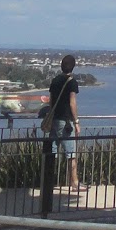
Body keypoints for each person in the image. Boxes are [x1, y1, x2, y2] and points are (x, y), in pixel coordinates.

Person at [39, 55, 82, 194]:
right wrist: (76, 121)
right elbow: (72, 103)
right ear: (73, 66)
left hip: (54, 119)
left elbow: (51, 101)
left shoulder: (55, 80)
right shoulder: (72, 82)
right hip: (65, 121)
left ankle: (47, 183)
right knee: (71, 153)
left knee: (52, 152)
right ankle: (74, 182)